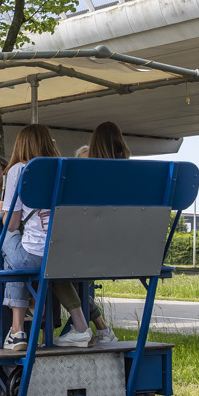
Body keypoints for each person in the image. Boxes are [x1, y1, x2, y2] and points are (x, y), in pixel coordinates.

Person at [1, 124, 93, 350]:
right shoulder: (64, 168)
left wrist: (5, 210)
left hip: (33, 256)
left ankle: (17, 331)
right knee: (52, 264)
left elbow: (11, 224)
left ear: (21, 144)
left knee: (7, 246)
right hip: (66, 253)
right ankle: (81, 327)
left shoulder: (20, 170)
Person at [68, 121, 128, 347]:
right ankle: (100, 328)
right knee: (69, 281)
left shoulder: (92, 176)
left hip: (90, 247)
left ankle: (84, 328)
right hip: (122, 249)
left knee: (55, 275)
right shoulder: (130, 174)